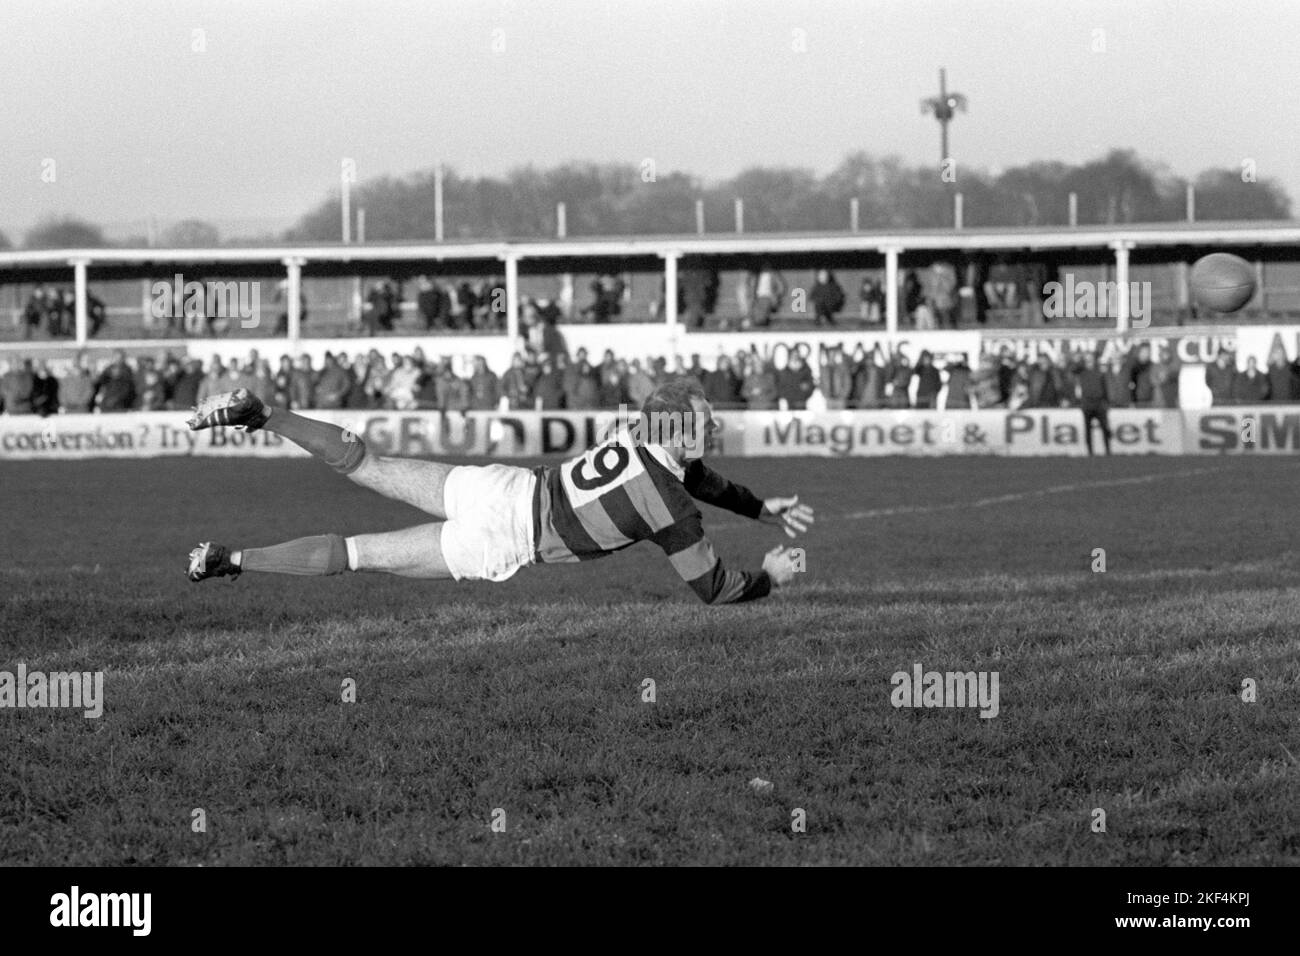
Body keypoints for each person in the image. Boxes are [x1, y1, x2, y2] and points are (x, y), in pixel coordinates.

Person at [185, 380, 813, 605]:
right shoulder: (669, 507)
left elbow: (697, 475)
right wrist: (771, 577)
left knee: (366, 463)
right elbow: (713, 588)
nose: (709, 426)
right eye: (700, 419)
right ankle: (230, 560)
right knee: (357, 554)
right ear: (675, 429)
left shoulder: (639, 434)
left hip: (502, 486)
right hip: (504, 538)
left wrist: (761, 508)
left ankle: (264, 416)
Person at [1074, 352, 1111, 456]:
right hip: (1087, 404)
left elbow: (1105, 387)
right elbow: (1072, 369)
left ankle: (1108, 450)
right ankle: (1090, 452)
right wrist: (1080, 360)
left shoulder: (1099, 371)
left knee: (1105, 427)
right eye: (1087, 359)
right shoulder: (1081, 371)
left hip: (1099, 403)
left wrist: (1106, 402)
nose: (1089, 361)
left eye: (1091, 358)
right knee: (1088, 429)